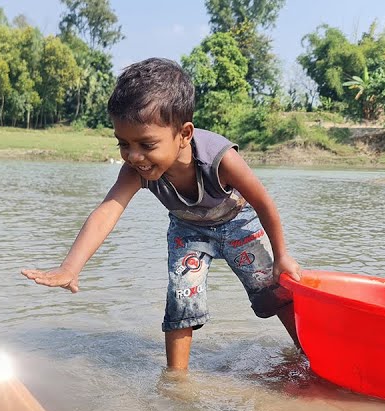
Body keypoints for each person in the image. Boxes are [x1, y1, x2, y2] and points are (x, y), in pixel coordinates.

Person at [21, 58, 302, 371]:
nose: (134, 156)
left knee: (271, 290)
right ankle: (176, 380)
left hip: (237, 224)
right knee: (182, 296)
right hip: (188, 230)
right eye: (123, 144)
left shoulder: (220, 160)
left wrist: (282, 256)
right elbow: (107, 212)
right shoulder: (135, 171)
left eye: (146, 144)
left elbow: (264, 203)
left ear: (184, 134)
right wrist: (70, 267)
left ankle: (307, 353)